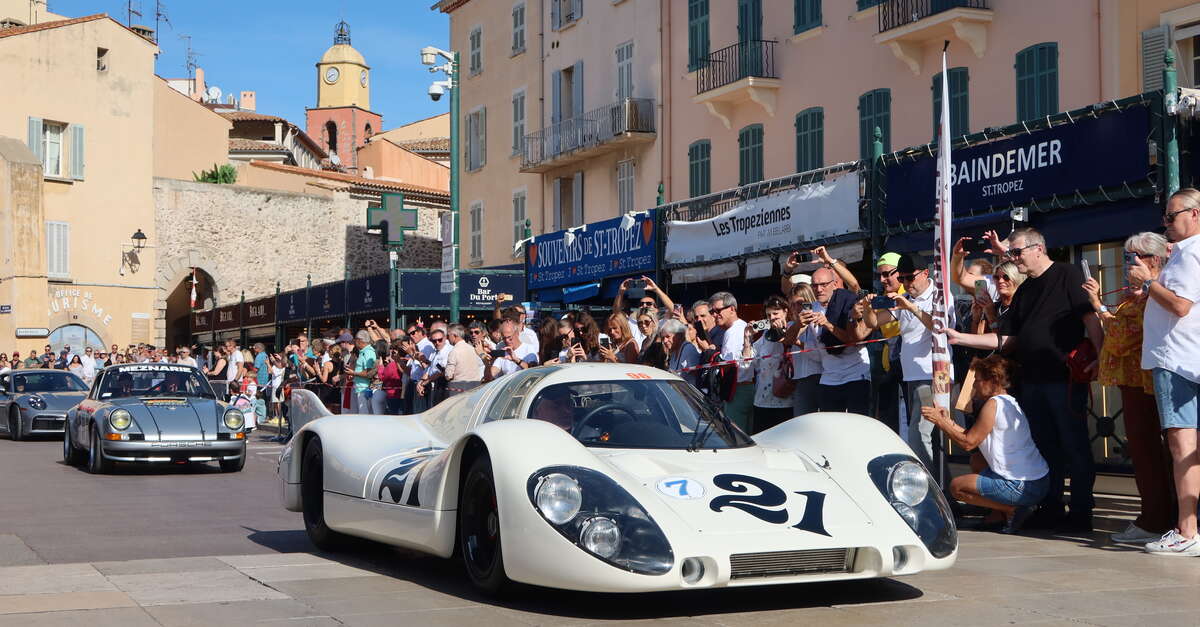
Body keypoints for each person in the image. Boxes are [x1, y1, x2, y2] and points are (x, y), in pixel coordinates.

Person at [946, 227, 1104, 533]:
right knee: (1045, 446)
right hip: (1031, 379)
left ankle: (1082, 510)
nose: (1012, 258)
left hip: (1064, 377)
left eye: (1016, 252)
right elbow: (1008, 338)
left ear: (1038, 249)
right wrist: (960, 337)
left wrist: (1101, 356)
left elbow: (1090, 319)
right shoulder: (1027, 290)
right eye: (1011, 252)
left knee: (1074, 444)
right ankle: (1051, 506)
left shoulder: (1066, 275)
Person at [1086, 232, 1177, 545]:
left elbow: (1123, 336)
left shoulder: (1155, 289)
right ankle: (1158, 515)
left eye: (1132, 257)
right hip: (1137, 379)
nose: (1127, 264)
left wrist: (1100, 310)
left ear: (1151, 259)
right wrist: (1100, 304)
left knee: (1148, 452)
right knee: (1148, 452)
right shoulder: (1143, 291)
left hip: (1143, 380)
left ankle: (1155, 519)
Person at [1135, 188, 1200, 555]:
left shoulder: (1190, 255)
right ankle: (1189, 529)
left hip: (1177, 360)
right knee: (1188, 449)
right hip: (1185, 357)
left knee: (1182, 448)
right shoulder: (1185, 254)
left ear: (1194, 214)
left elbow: (1179, 305)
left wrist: (1148, 281)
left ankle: (1187, 531)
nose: (1166, 223)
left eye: (1172, 216)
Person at [921, 356, 1049, 535]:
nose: (974, 386)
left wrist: (939, 422)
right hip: (1039, 481)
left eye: (978, 381)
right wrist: (946, 420)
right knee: (978, 460)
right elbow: (972, 437)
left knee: (957, 487)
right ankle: (999, 512)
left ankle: (1012, 510)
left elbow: (967, 443)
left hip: (1022, 486)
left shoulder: (992, 404)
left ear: (993, 380)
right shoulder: (1008, 401)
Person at [864, 253, 955, 475]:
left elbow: (939, 327)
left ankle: (929, 484)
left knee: (919, 432)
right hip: (912, 376)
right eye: (902, 279)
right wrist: (866, 307)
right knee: (927, 434)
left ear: (925, 273)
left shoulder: (939, 295)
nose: (906, 284)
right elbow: (874, 322)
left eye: (909, 278)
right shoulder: (906, 299)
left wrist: (910, 307)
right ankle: (940, 484)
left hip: (933, 374)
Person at [806, 267, 871, 414]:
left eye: (823, 285)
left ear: (834, 284)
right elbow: (789, 338)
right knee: (829, 426)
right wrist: (798, 324)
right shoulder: (810, 309)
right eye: (815, 285)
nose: (819, 289)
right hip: (829, 376)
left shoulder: (847, 301)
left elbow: (852, 340)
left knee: (856, 423)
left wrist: (827, 324)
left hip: (856, 373)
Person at [746, 296, 795, 432]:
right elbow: (749, 364)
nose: (772, 318)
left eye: (775, 313)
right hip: (762, 399)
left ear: (785, 312)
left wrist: (782, 333)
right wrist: (747, 337)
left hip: (785, 399)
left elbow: (794, 347)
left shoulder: (793, 329)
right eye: (768, 315)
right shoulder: (765, 335)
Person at [709, 292, 753, 431]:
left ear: (732, 309)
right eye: (712, 311)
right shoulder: (741, 326)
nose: (714, 315)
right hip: (746, 388)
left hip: (737, 389)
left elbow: (728, 367)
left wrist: (712, 354)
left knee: (735, 436)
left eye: (718, 310)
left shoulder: (732, 331)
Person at [780, 283, 822, 417]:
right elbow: (786, 340)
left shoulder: (819, 320)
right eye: (792, 304)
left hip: (820, 377)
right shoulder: (791, 325)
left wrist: (798, 343)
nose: (795, 308)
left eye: (799, 303)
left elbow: (819, 355)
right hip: (799, 380)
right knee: (801, 421)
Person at [440, 324, 484, 395]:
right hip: (475, 387)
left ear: (454, 335)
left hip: (458, 388)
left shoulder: (454, 351)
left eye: (448, 336)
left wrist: (445, 371)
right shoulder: (473, 349)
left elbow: (448, 375)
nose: (447, 338)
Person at [345, 331, 380, 414]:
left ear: (360, 340)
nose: (354, 342)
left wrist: (353, 373)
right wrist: (353, 375)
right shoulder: (363, 352)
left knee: (364, 415)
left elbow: (369, 372)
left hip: (365, 389)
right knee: (361, 414)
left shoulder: (368, 352)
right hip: (360, 388)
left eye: (355, 340)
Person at [660, 319, 701, 387]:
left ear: (679, 335)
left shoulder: (688, 349)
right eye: (663, 338)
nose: (664, 341)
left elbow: (696, 376)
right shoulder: (673, 352)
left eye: (668, 336)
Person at [378, 345, 406, 415]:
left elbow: (382, 377)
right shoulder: (406, 362)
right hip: (403, 393)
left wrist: (381, 366)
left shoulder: (391, 365)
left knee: (394, 415)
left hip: (393, 395)